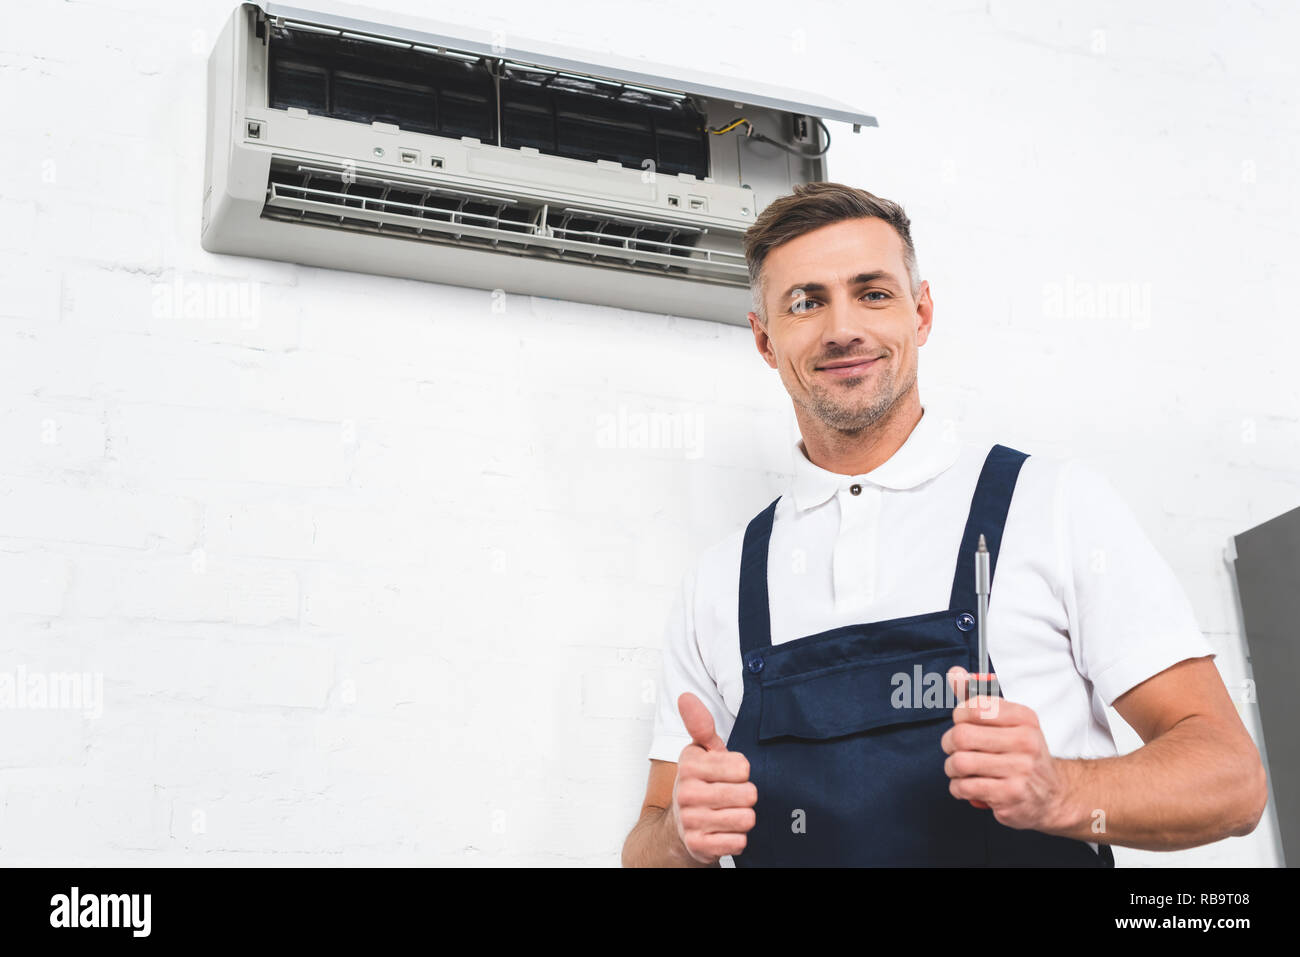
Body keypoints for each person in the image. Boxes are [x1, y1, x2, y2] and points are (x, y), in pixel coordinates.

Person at [620, 182, 1268, 867]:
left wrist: (1061, 792)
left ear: (921, 313)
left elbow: (1231, 778)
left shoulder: (1051, 505)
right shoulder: (719, 581)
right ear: (764, 339)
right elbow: (648, 842)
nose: (842, 327)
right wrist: (679, 838)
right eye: (806, 302)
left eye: (873, 292)